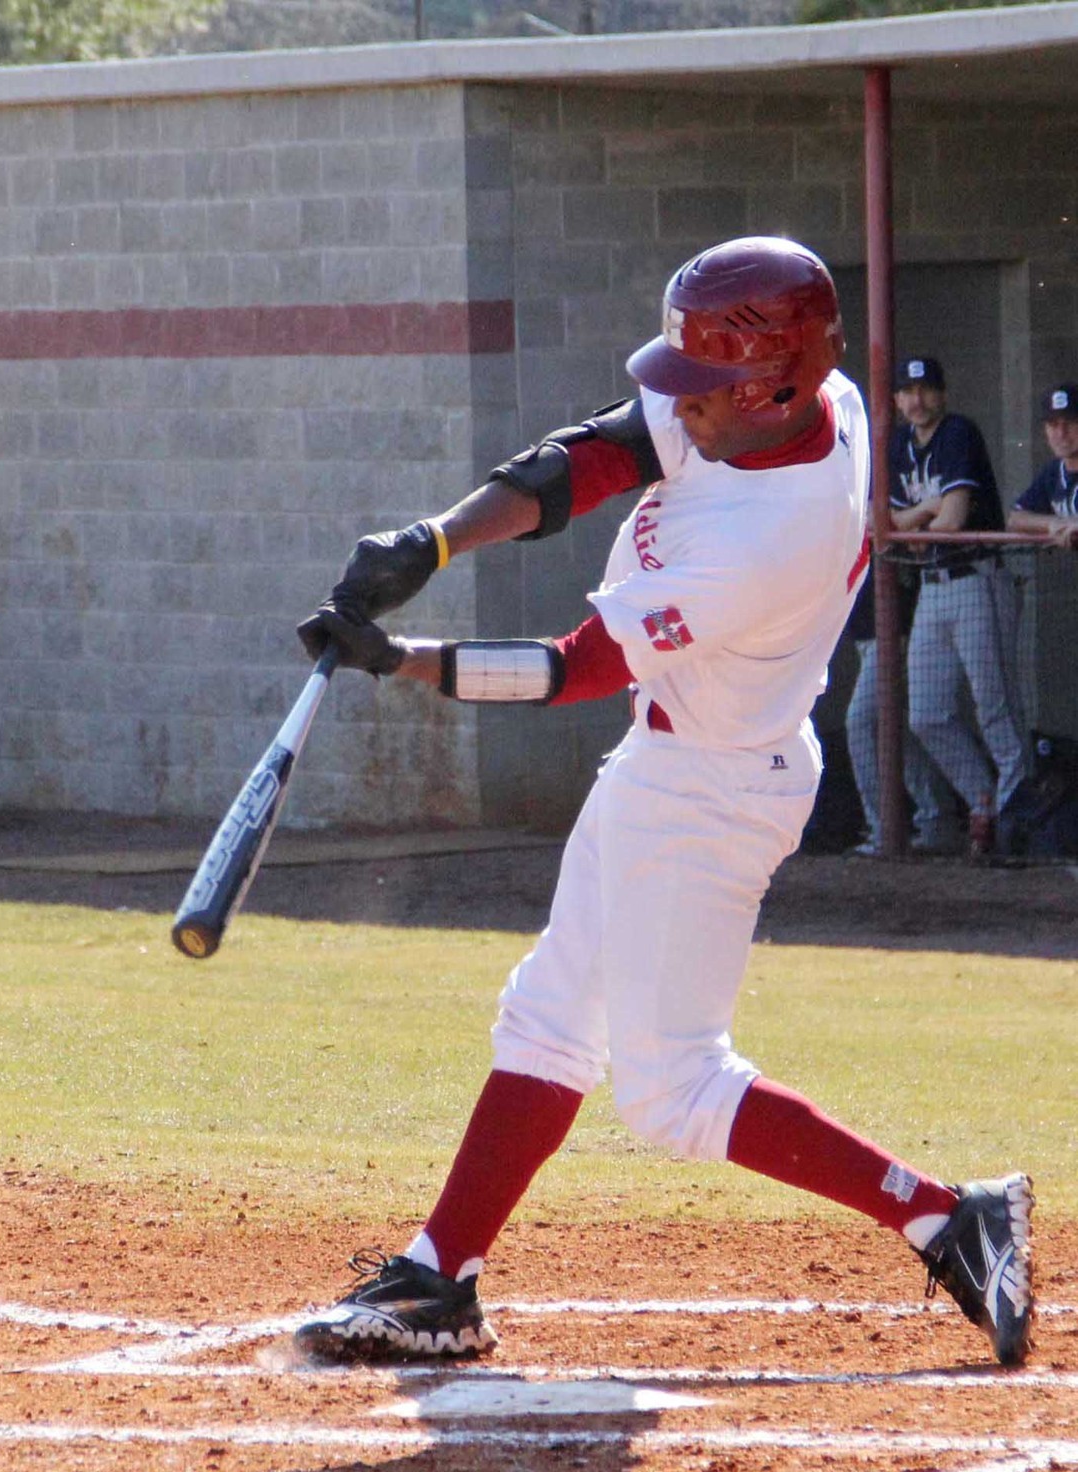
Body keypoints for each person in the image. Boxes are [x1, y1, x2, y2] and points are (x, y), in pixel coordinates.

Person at [293, 237, 1034, 1370]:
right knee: (545, 1018)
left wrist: (401, 660)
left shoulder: (767, 541)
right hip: (673, 766)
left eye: (705, 386)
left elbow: (572, 667)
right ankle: (441, 1276)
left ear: (769, 382)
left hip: (713, 789)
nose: (680, 407)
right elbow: (598, 452)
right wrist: (433, 538)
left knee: (672, 1085)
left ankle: (947, 1216)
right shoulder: (808, 395)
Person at [890, 357, 1026, 857]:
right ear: (897, 400)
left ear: (942, 395)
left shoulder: (958, 432)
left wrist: (918, 519)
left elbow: (952, 521)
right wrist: (925, 514)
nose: (917, 399)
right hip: (932, 586)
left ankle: (1015, 826)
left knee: (996, 712)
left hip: (975, 578)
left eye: (926, 389)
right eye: (907, 391)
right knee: (925, 714)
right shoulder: (897, 443)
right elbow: (880, 519)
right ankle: (984, 801)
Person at [842, 554, 958, 855]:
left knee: (860, 722)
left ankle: (882, 828)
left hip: (894, 633)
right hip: (866, 637)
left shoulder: (873, 510)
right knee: (893, 728)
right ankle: (937, 819)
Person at [1006, 382, 1078, 548]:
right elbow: (1016, 519)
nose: (1061, 433)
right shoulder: (1054, 471)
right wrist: (1055, 522)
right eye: (1053, 424)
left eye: (1071, 422)